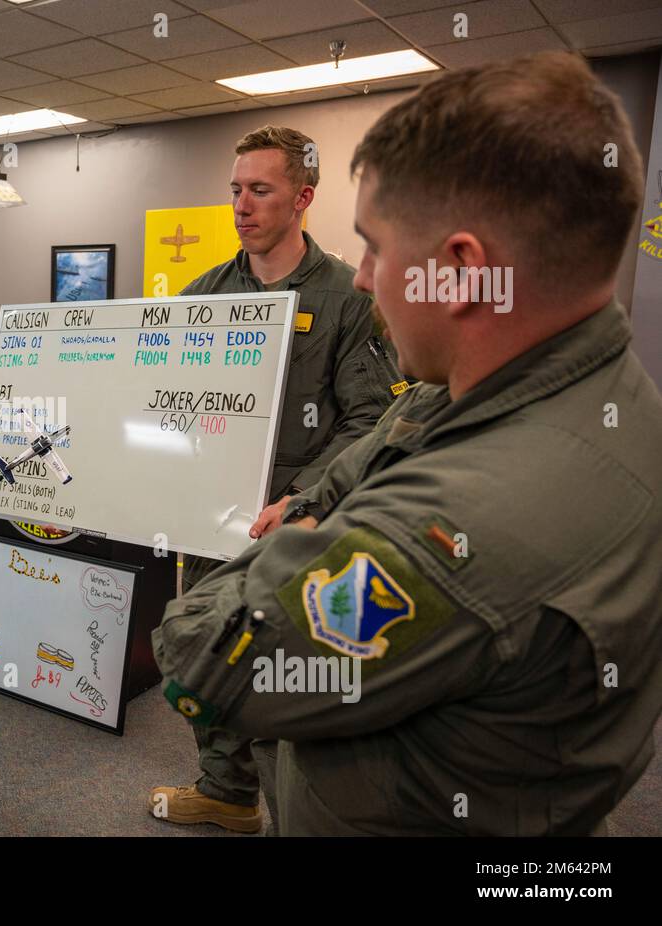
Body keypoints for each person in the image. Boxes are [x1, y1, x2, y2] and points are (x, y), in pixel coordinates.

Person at [153, 51, 662, 835]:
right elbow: (394, 428)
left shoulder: (451, 526)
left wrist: (299, 535)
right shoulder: (606, 398)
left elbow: (203, 656)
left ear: (460, 272)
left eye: (378, 248)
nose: (364, 279)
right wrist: (322, 505)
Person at [153, 125, 405, 833]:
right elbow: (174, 407)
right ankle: (226, 793)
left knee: (281, 679)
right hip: (211, 516)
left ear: (302, 197)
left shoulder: (347, 299)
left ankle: (296, 817)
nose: (241, 204)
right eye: (235, 189)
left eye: (258, 190)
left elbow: (369, 422)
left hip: (295, 525)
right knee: (208, 656)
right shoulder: (204, 294)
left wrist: (305, 496)